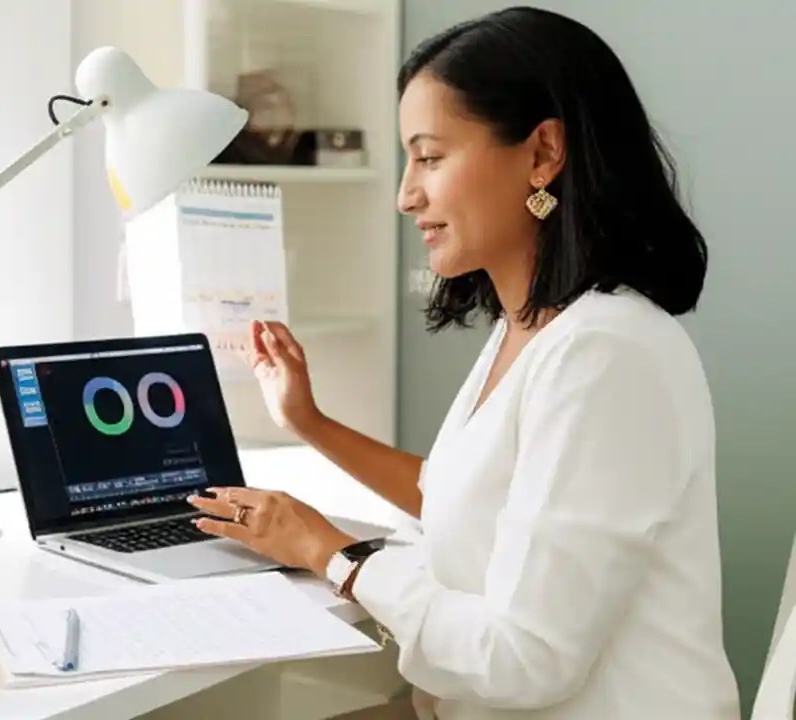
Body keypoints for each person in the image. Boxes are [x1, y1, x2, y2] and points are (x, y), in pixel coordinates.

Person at [187, 7, 741, 719]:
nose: (405, 194)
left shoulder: (606, 354)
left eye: (430, 156)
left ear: (542, 154)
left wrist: (334, 555)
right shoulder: (534, 332)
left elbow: (524, 662)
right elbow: (465, 501)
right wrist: (308, 426)